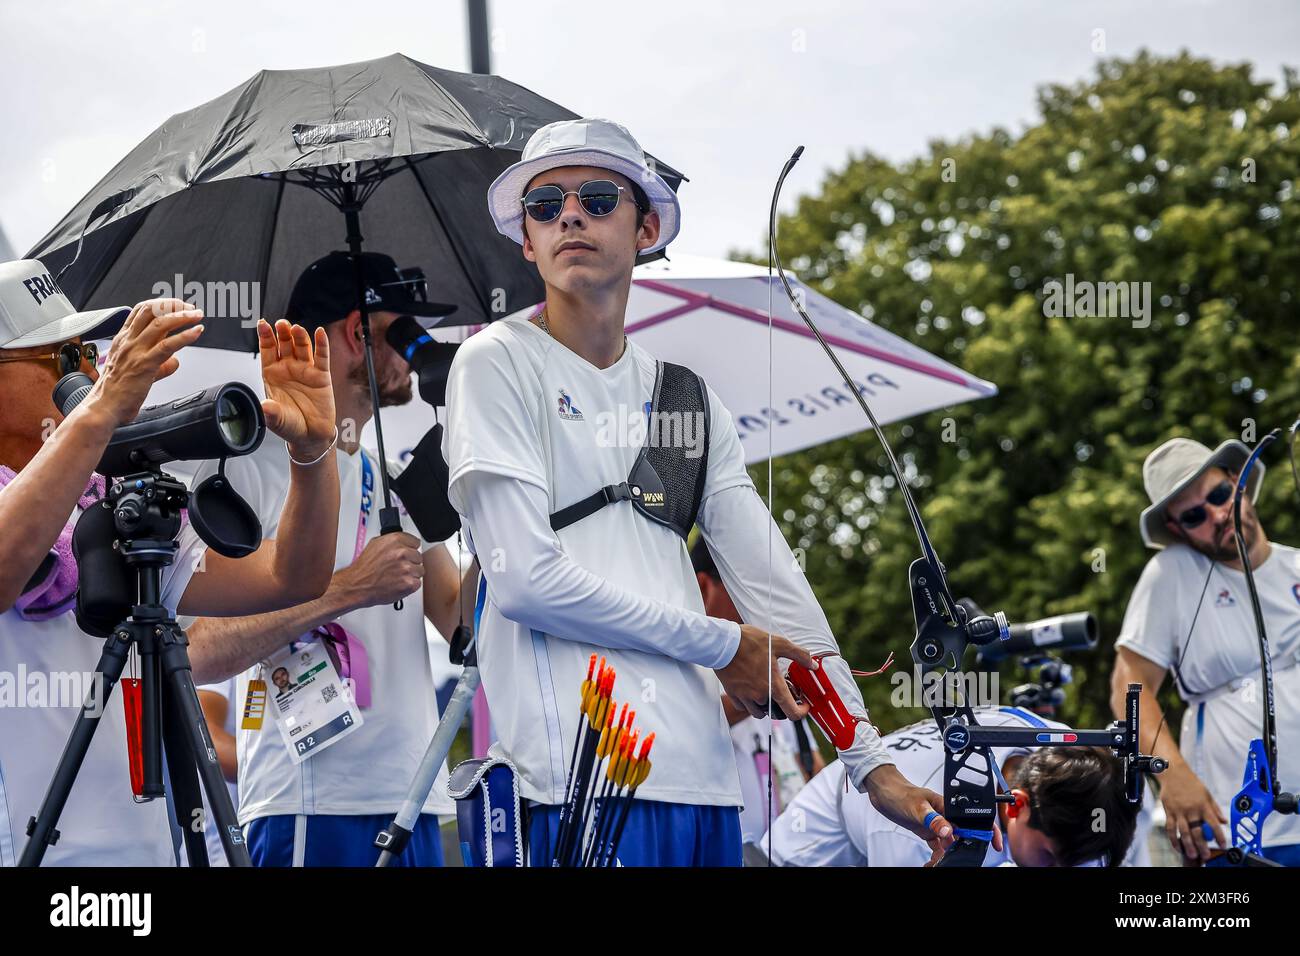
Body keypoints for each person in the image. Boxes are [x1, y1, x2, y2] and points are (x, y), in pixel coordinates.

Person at [443, 118, 955, 867]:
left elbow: (778, 591)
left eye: (595, 197)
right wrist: (724, 643)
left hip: (706, 788)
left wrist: (871, 765)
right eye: (545, 206)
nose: (570, 216)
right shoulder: (494, 363)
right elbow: (526, 584)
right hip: (570, 791)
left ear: (646, 225)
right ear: (526, 241)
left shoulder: (687, 398)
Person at [0, 258, 340, 866]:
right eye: (63, 357)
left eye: (88, 351)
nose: (89, 369)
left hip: (146, 854)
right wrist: (100, 412)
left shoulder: (109, 499)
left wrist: (313, 452)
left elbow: (293, 576)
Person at [186, 251, 476, 867]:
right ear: (357, 333)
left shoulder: (387, 478)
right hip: (311, 807)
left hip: (415, 796)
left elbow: (461, 623)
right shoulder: (252, 465)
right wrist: (345, 589)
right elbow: (199, 650)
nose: (414, 352)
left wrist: (492, 505)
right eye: (407, 331)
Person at [1111, 437, 1300, 865]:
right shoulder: (1172, 571)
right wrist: (1171, 773)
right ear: (1176, 529)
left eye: (1218, 495)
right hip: (1241, 832)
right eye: (1195, 515)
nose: (1216, 514)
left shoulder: (1296, 566)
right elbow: (1128, 686)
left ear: (1238, 482)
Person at [763, 707, 1140, 867]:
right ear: (1015, 805)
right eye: (1048, 860)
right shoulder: (922, 830)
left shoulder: (1065, 754)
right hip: (798, 855)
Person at [691, 537, 823, 846]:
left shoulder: (774, 673)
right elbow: (673, 727)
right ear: (703, 587)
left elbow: (813, 769)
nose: (762, 608)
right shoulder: (674, 666)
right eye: (746, 591)